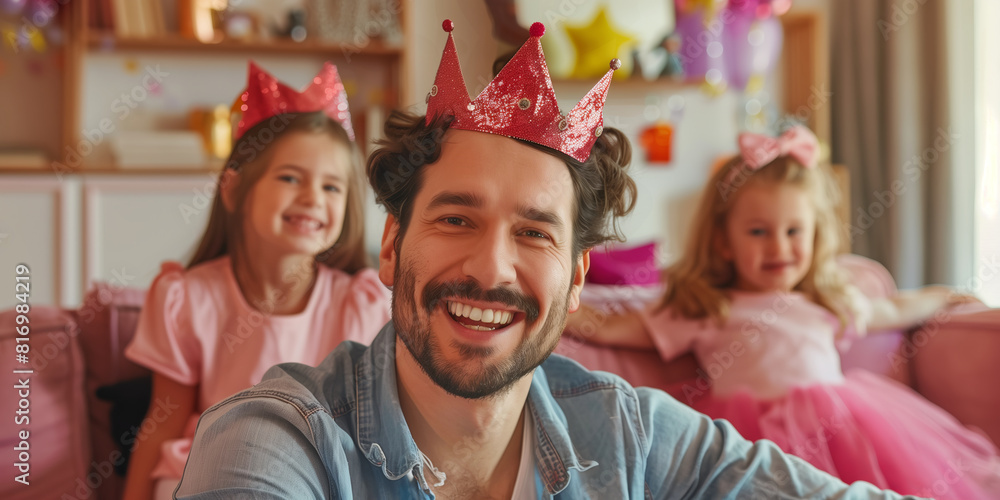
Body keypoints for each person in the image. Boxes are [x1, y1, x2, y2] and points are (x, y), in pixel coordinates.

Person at [174, 21, 920, 499]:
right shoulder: (275, 438)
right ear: (393, 247)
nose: (492, 267)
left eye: (535, 234)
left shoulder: (631, 435)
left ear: (576, 280)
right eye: (456, 217)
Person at [565, 125, 1000, 499]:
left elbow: (893, 308)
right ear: (722, 241)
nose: (778, 247)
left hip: (842, 422)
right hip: (748, 434)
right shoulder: (708, 308)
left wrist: (942, 297)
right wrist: (564, 310)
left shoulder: (826, 301)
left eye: (795, 231)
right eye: (758, 232)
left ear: (815, 236)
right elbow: (619, 328)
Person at [121, 62, 391, 500]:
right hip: (207, 473)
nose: (312, 198)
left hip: (320, 475)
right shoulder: (186, 298)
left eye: (332, 187)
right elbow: (160, 425)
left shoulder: (362, 303)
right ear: (233, 189)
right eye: (290, 177)